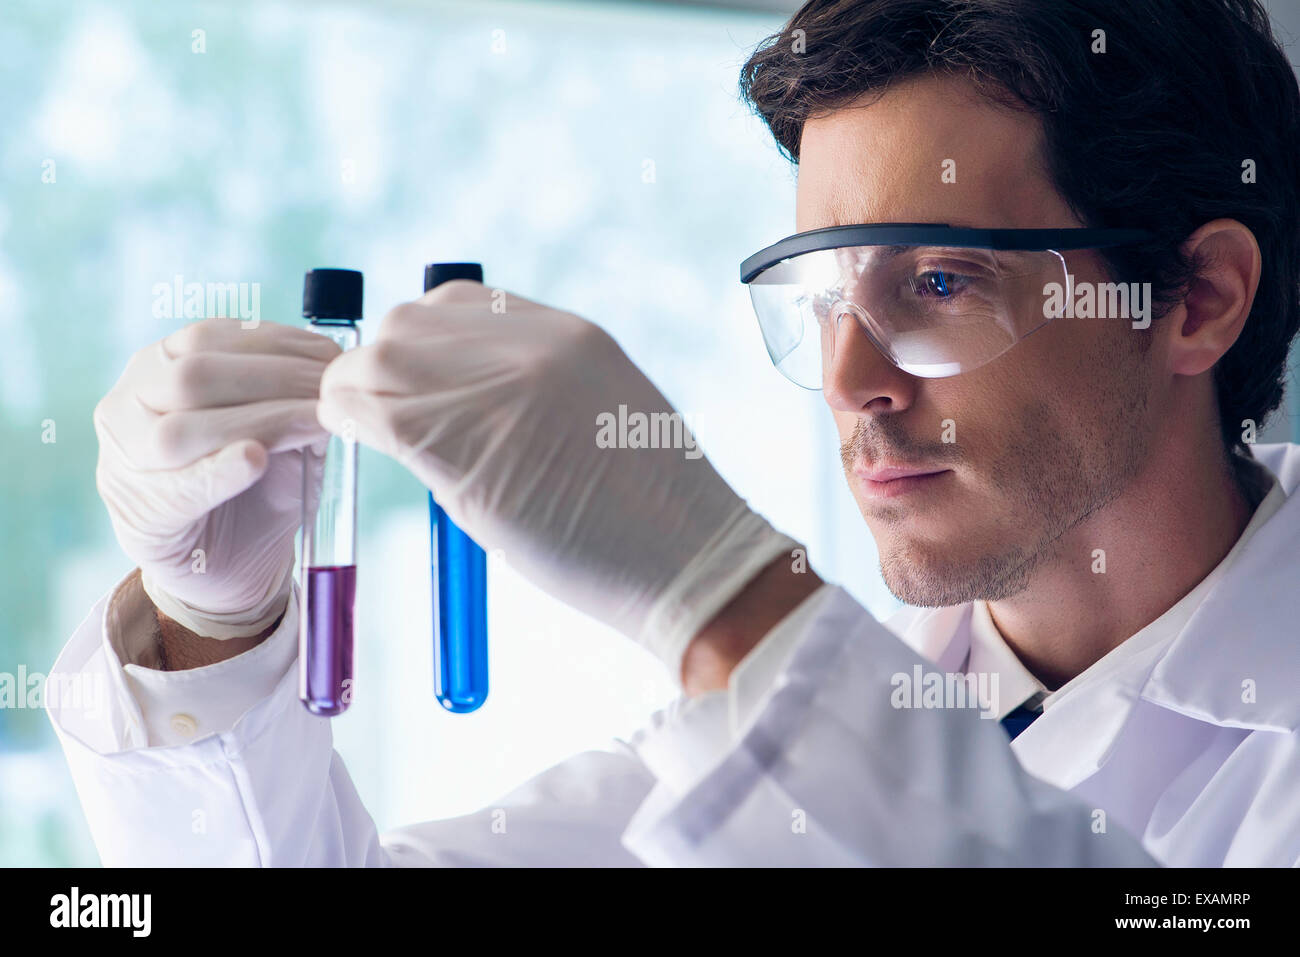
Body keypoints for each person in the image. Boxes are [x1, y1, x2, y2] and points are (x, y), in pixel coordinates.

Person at [48, 0, 1300, 866]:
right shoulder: (786, 736)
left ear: (1195, 301)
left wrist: (724, 599)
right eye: (819, 300)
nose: (846, 381)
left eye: (936, 284)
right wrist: (208, 627)